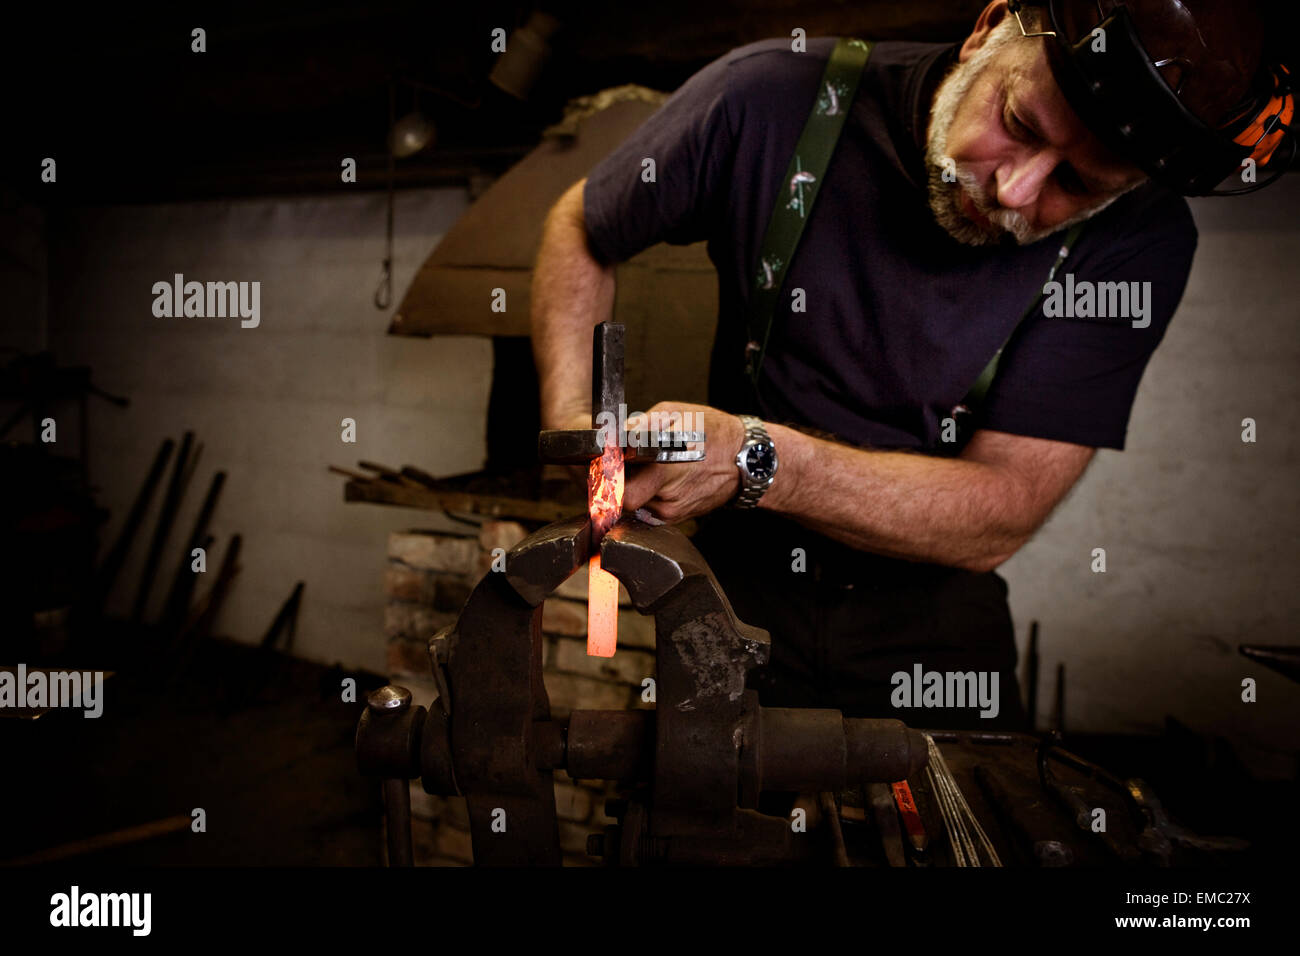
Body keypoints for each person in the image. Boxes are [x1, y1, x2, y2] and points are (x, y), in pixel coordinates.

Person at [529, 0, 1294, 729]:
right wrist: (570, 418)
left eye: (1076, 185)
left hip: (936, 626)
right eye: (1018, 122)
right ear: (989, 28)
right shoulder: (771, 97)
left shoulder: (1141, 241)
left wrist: (755, 456)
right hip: (737, 595)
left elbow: (1001, 510)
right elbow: (583, 224)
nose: (1011, 188)